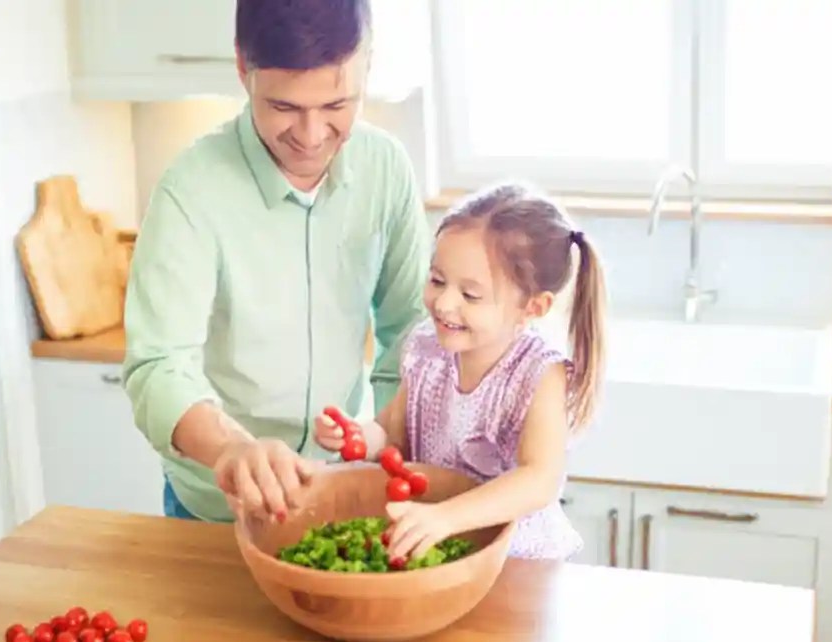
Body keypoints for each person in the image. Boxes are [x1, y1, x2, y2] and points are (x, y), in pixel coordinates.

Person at [122, 0, 431, 523]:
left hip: (341, 492)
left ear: (368, 63)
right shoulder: (190, 189)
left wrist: (383, 441)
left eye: (337, 105)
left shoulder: (387, 170)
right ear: (244, 67)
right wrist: (233, 450)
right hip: (218, 511)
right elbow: (158, 365)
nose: (311, 137)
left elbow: (409, 333)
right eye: (284, 107)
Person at [313, 183, 606, 561]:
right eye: (437, 281)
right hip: (440, 545)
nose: (444, 303)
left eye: (470, 295)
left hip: (515, 563)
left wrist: (446, 517)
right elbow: (392, 433)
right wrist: (356, 436)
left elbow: (538, 481)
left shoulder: (539, 373)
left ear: (532, 307)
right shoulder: (425, 346)